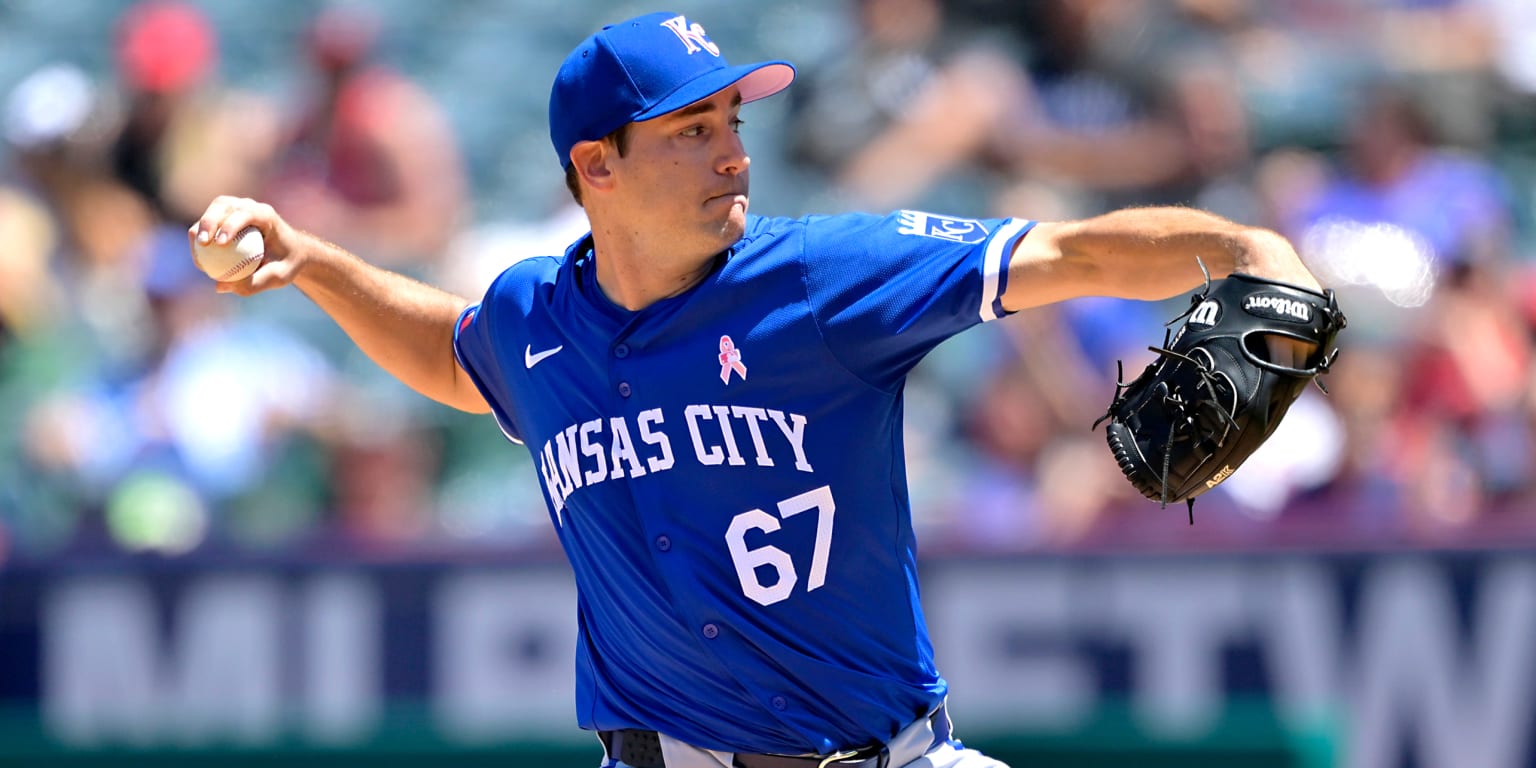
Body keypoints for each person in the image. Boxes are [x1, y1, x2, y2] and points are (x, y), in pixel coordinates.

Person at [190, 11, 1323, 768]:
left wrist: (1245, 247)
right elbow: (452, 354)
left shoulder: (825, 279)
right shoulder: (538, 316)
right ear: (597, 167)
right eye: (692, 129)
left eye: (734, 120)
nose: (734, 151)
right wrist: (314, 262)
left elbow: (1071, 254)